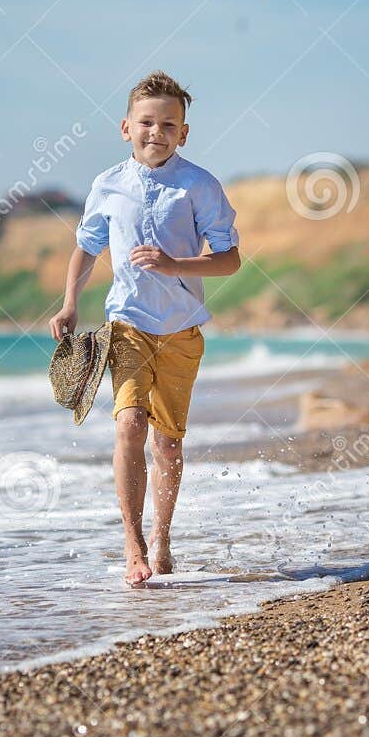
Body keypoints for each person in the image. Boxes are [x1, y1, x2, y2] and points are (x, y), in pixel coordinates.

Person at [49, 71, 243, 586]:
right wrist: (70, 304)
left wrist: (174, 264)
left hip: (182, 331)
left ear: (184, 133)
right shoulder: (108, 184)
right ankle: (133, 543)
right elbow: (87, 248)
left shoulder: (199, 186)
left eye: (169, 125)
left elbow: (229, 260)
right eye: (147, 122)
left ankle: (163, 537)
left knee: (168, 445)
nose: (156, 132)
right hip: (127, 324)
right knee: (130, 424)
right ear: (125, 127)